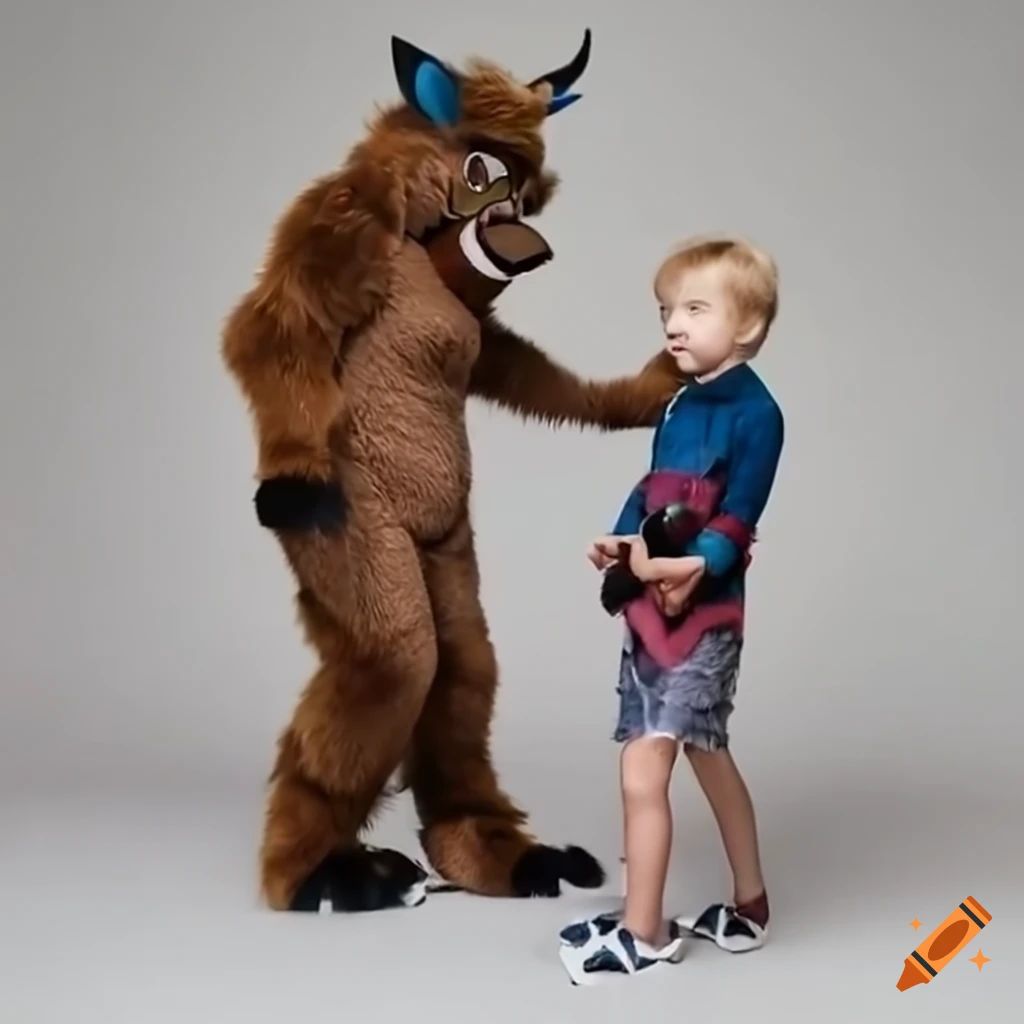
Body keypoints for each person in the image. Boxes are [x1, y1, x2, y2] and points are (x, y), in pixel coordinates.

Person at [558, 235, 785, 985]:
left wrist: (698, 567)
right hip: (652, 612)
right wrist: (622, 539)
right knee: (707, 754)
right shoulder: (680, 402)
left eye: (693, 308)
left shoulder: (759, 415)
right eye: (666, 311)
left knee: (641, 769)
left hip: (703, 619)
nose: (673, 326)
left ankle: (643, 931)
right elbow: (654, 487)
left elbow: (739, 517)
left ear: (747, 326)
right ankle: (750, 904)